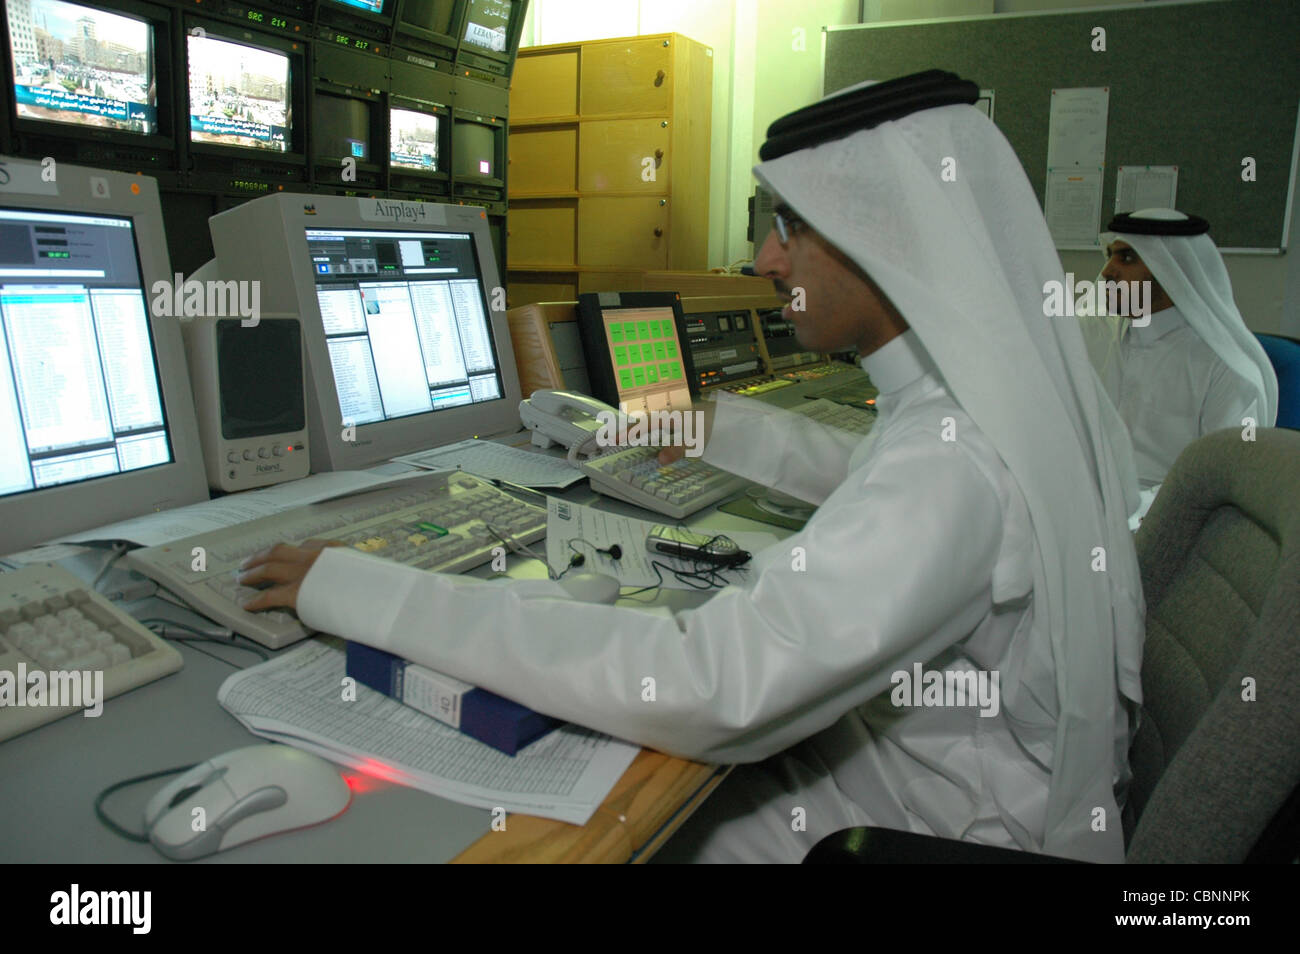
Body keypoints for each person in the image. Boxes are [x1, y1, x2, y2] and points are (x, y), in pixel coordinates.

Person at [238, 70, 1144, 863]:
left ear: (887, 238)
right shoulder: (993, 398)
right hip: (936, 776)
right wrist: (719, 431)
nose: (764, 259)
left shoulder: (958, 467)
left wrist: (371, 595)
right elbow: (884, 477)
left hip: (919, 830)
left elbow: (716, 683)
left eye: (791, 226)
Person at [1082, 209, 1278, 489]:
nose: (1107, 272)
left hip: (1169, 513)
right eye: (1110, 255)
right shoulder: (1100, 333)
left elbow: (1224, 476)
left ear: (1171, 270)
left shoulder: (1224, 365)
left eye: (1126, 258)